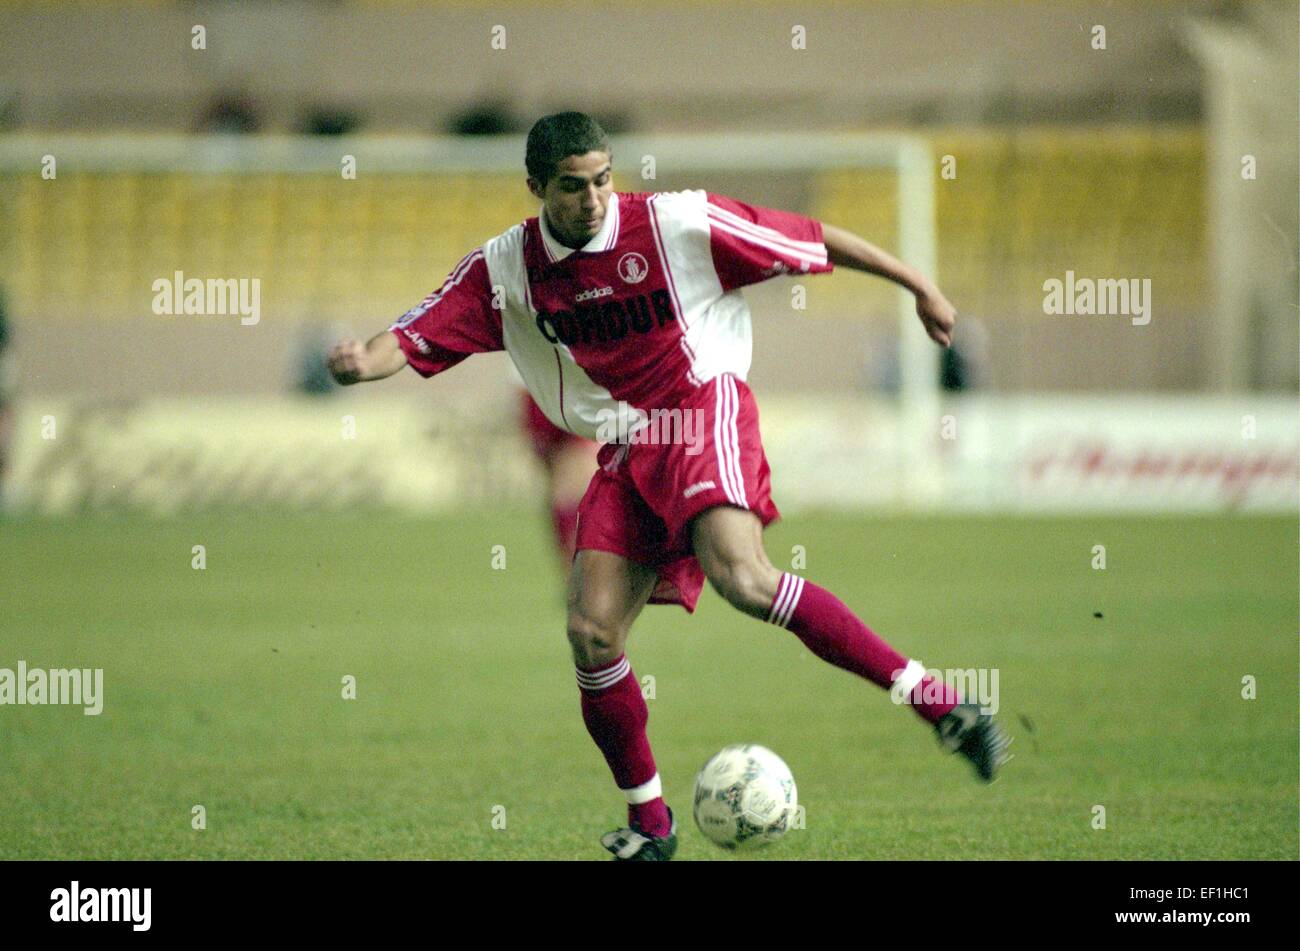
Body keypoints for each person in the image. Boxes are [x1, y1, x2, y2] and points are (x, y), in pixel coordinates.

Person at [327, 112, 1009, 860]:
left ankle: (944, 707)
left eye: (600, 180)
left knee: (743, 578)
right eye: (571, 186)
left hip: (700, 405)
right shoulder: (508, 268)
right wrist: (365, 360)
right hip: (628, 438)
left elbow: (810, 238)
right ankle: (651, 825)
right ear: (535, 189)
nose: (591, 199)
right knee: (590, 631)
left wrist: (917, 285)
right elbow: (421, 326)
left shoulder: (675, 223)